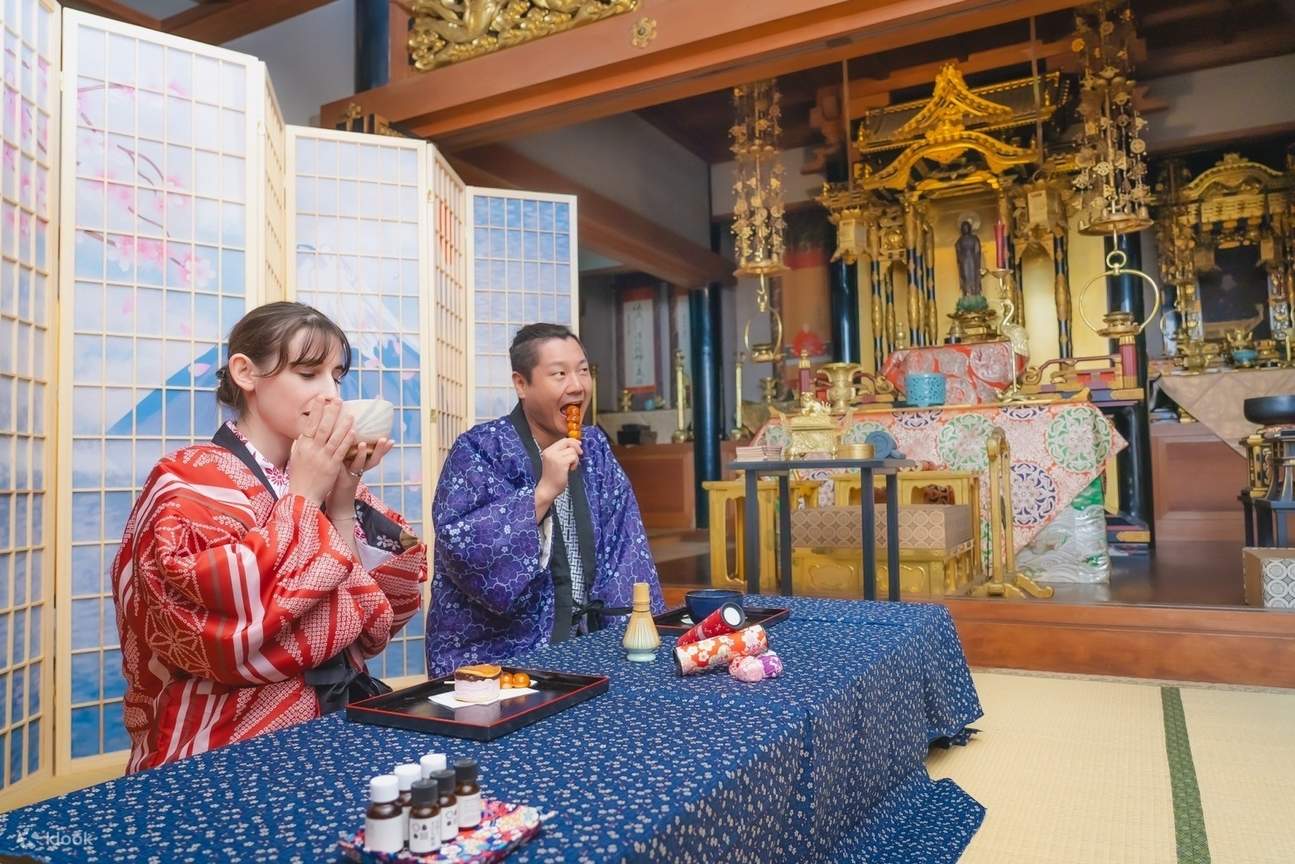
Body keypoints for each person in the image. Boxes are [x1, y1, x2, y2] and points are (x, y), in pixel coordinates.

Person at [110, 302, 427, 773]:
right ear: (245, 372)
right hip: (222, 740)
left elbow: (378, 619)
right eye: (307, 373)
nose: (329, 395)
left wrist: (339, 503)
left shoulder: (320, 479)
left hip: (332, 724)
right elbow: (213, 631)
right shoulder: (186, 481)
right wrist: (303, 497)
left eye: (336, 377)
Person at [425, 323, 663, 677]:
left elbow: (626, 547)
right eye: (559, 374)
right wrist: (542, 493)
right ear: (521, 384)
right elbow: (463, 550)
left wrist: (633, 635)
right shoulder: (480, 449)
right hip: (502, 655)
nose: (577, 386)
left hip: (589, 646)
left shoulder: (595, 448)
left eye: (583, 370)